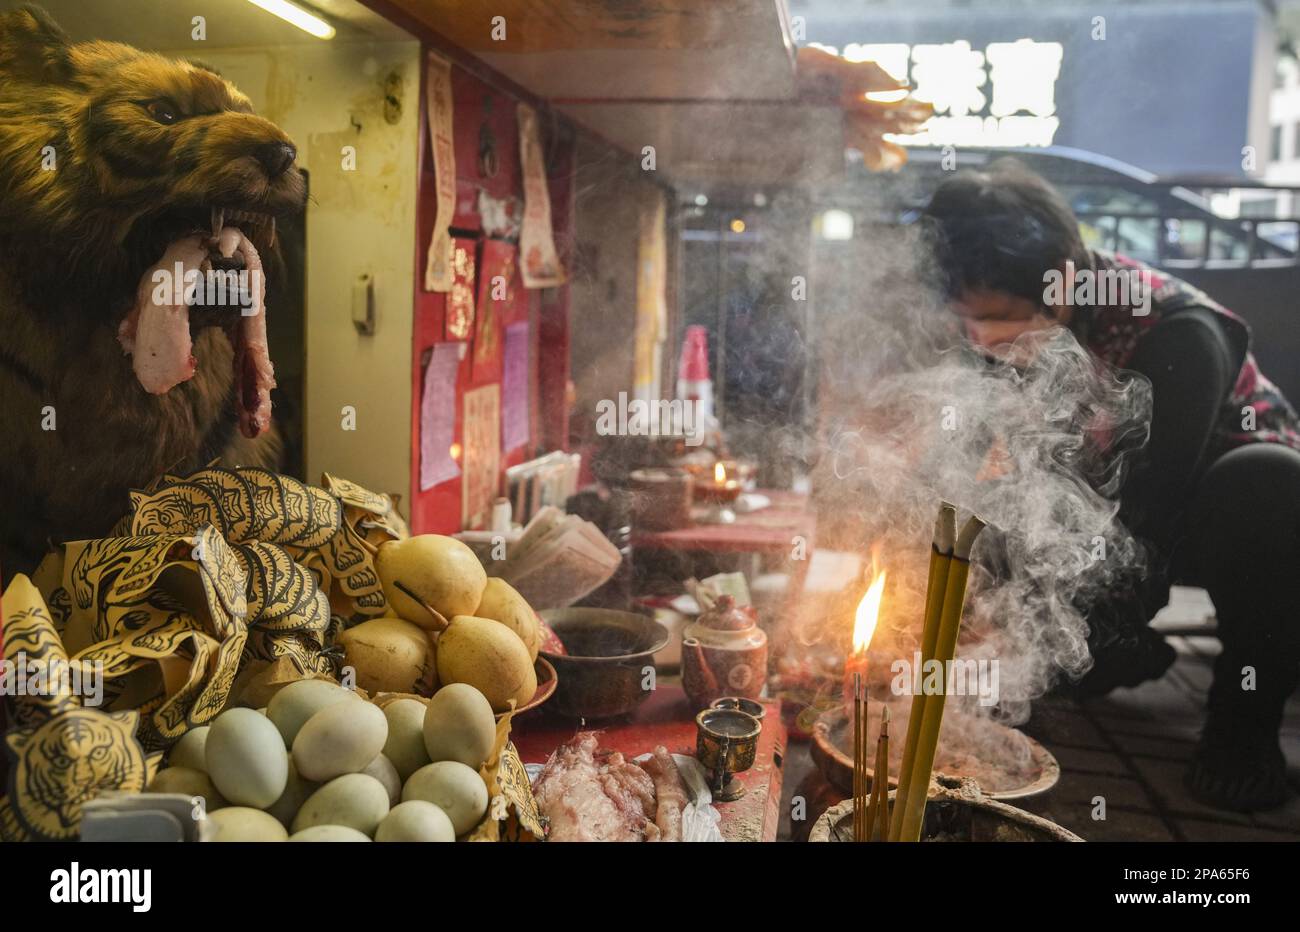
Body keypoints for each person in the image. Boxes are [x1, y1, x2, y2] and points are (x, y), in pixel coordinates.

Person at [922, 160, 1300, 811]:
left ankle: (1244, 726)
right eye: (966, 321)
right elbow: (991, 471)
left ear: (1062, 283)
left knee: (1261, 482)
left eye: (998, 318)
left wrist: (1071, 632)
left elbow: (1148, 521)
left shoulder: (1177, 333)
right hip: (1095, 520)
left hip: (1221, 520)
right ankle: (1121, 652)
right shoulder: (996, 329)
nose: (979, 340)